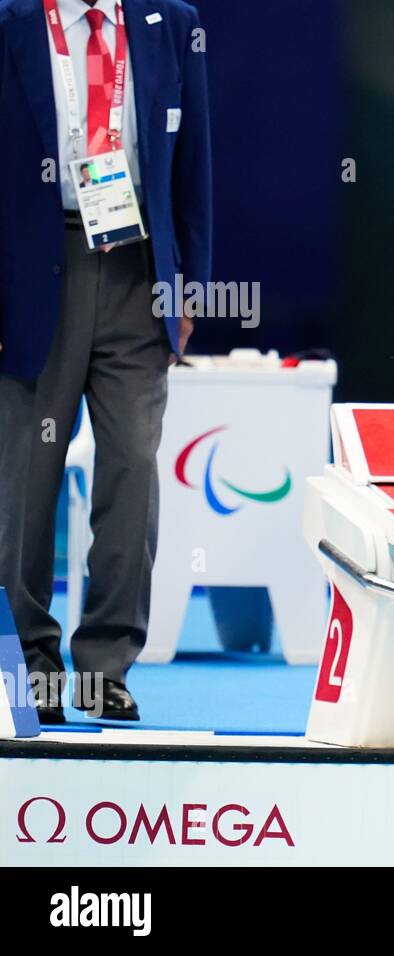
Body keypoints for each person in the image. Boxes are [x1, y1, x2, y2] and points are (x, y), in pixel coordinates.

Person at [0, 0, 212, 723]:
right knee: (28, 480)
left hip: (136, 271)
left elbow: (194, 163)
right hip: (35, 274)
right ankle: (32, 663)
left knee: (131, 470)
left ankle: (105, 667)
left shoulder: (172, 24)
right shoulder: (12, 23)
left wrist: (191, 285)